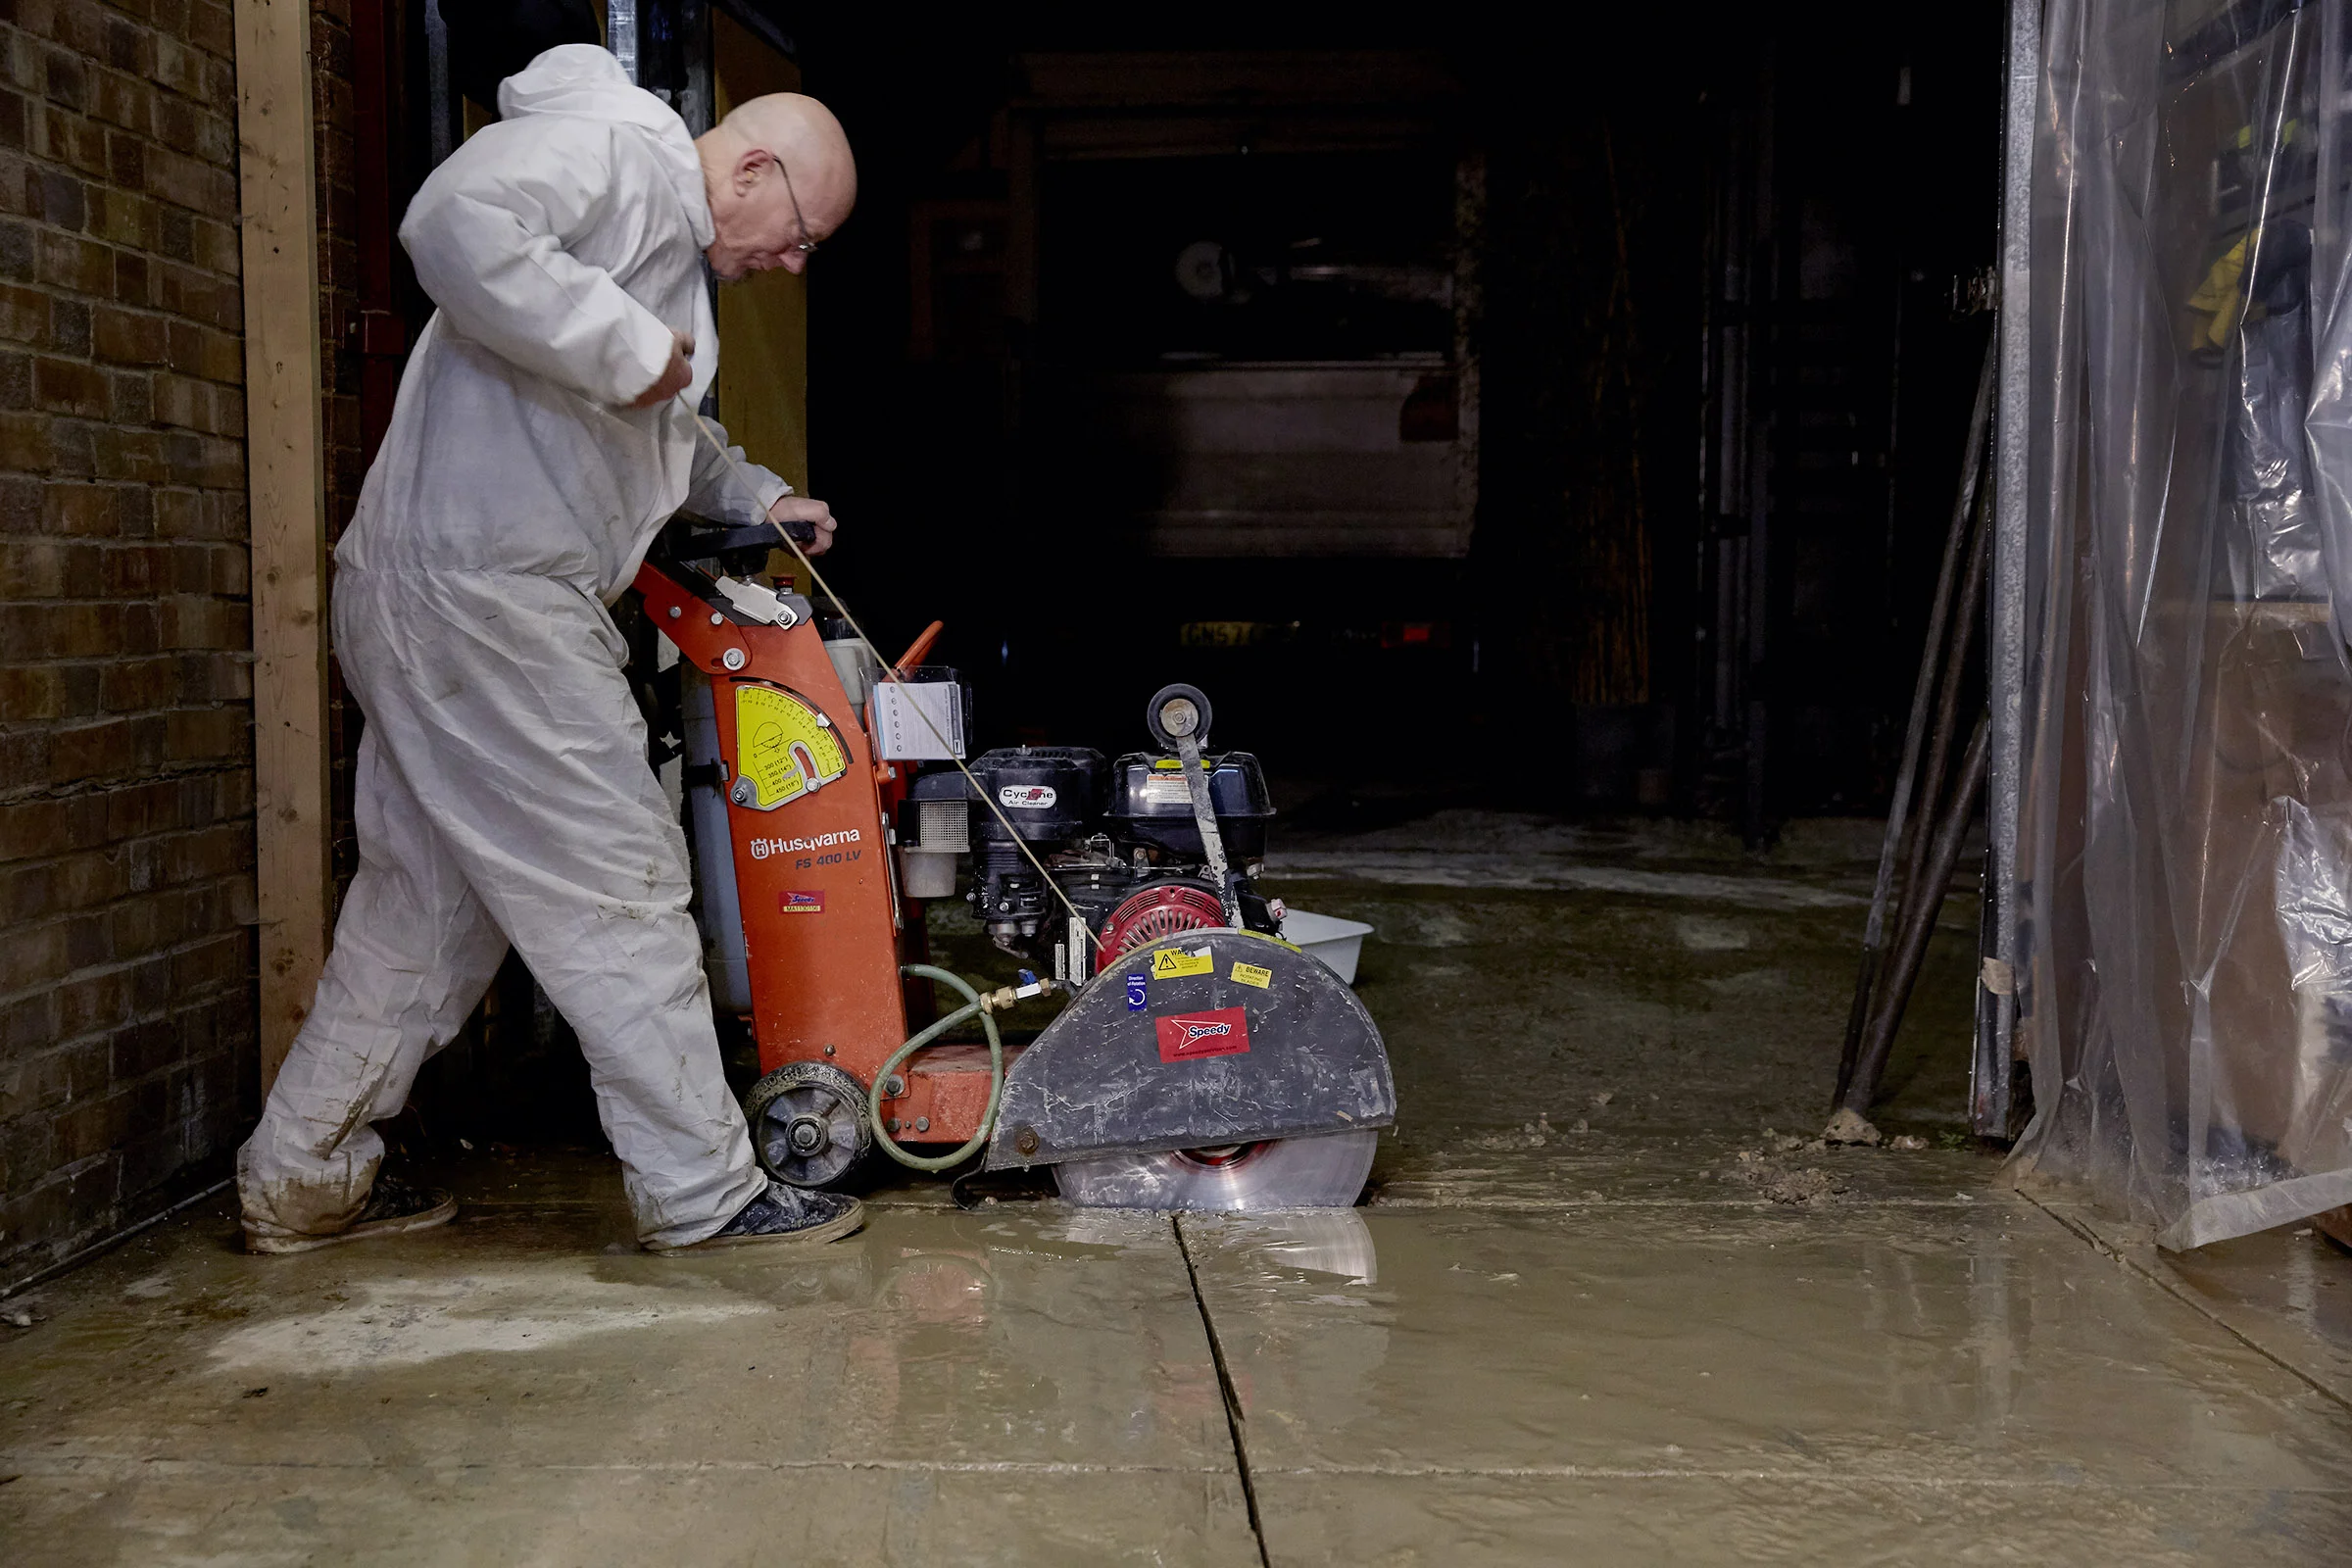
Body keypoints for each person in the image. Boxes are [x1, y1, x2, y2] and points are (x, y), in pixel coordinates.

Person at [237, 43, 863, 1255]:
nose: (792, 265)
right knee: (617, 880)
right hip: (490, 596)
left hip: (443, 591)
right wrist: (626, 350)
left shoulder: (662, 248)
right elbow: (453, 220)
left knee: (422, 914)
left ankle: (305, 1173)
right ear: (751, 167)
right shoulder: (621, 157)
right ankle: (703, 1192)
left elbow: (656, 427)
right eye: (801, 236)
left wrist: (758, 496)